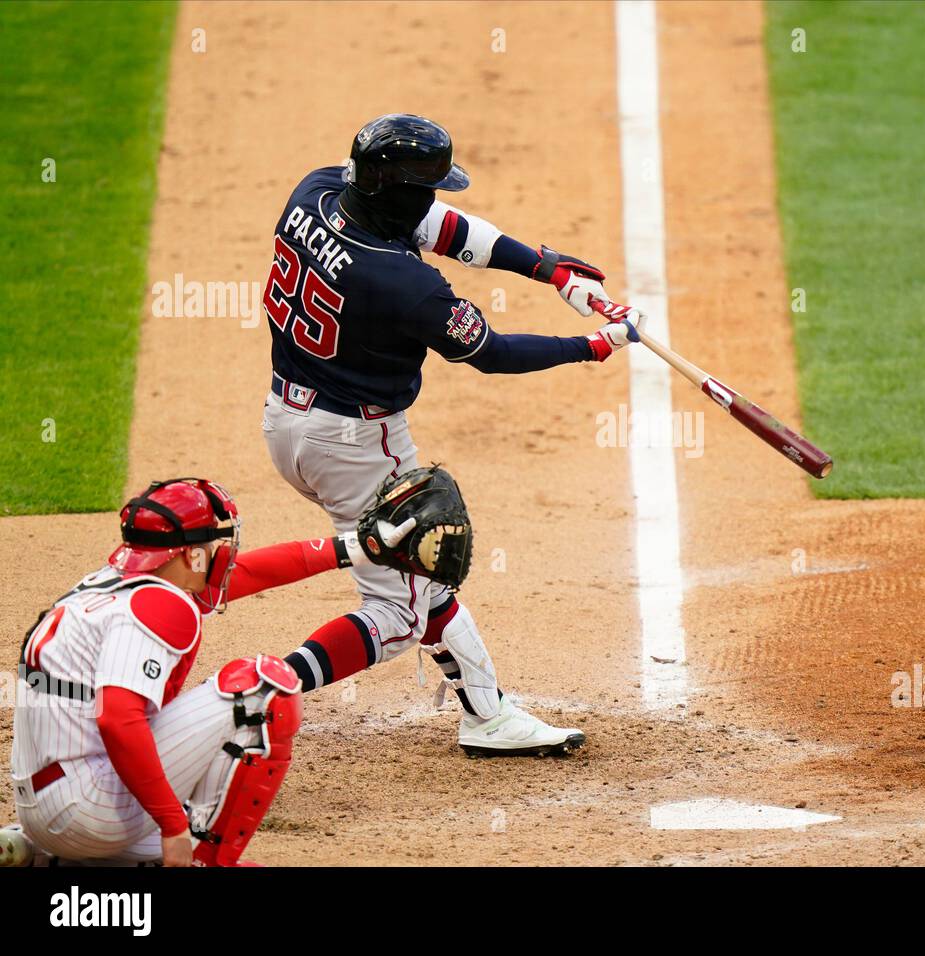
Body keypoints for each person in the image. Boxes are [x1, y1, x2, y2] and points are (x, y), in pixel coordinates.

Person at [261, 113, 642, 756]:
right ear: (391, 187)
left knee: (423, 575)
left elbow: (436, 227)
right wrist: (594, 344)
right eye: (425, 188)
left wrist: (548, 270)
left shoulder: (318, 192)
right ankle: (262, 690)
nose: (434, 201)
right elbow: (490, 352)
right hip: (356, 446)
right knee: (400, 614)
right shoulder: (404, 286)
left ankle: (487, 715)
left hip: (288, 425)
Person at [2, 477, 410, 866]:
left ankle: (44, 849)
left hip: (45, 811)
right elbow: (118, 719)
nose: (222, 551)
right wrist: (171, 824)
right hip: (91, 811)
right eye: (214, 541)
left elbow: (250, 572)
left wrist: (358, 547)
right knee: (264, 690)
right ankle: (203, 855)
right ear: (189, 554)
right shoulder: (161, 606)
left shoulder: (108, 586)